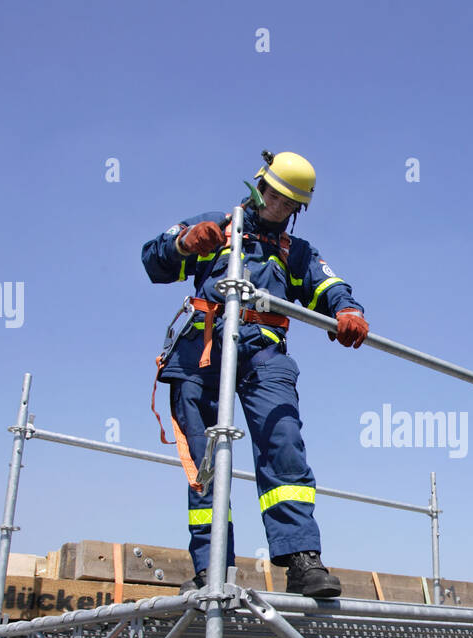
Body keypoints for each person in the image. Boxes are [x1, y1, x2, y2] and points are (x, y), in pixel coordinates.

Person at [141, 150, 369, 597]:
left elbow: (329, 286)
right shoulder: (216, 228)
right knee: (206, 466)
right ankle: (212, 569)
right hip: (200, 356)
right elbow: (154, 261)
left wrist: (347, 310)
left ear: (298, 209)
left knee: (284, 444)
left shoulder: (294, 252)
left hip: (263, 356)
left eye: (289, 203)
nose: (278, 207)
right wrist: (185, 244)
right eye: (273, 195)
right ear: (258, 186)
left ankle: (301, 560)